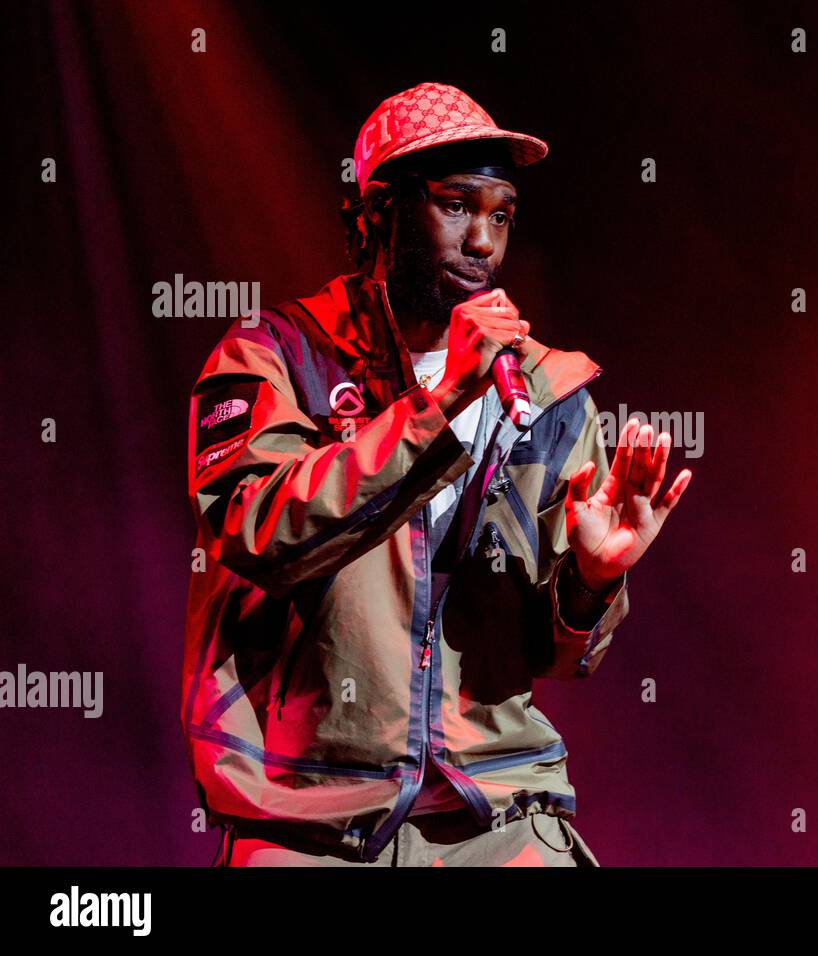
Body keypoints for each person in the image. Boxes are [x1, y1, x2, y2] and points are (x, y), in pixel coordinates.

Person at [181, 82, 691, 866]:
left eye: (501, 215)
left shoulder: (547, 393)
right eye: (456, 206)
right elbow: (257, 532)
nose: (483, 241)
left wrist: (591, 581)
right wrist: (443, 404)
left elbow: (559, 654)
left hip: (495, 804)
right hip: (312, 809)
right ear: (378, 213)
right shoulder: (271, 357)